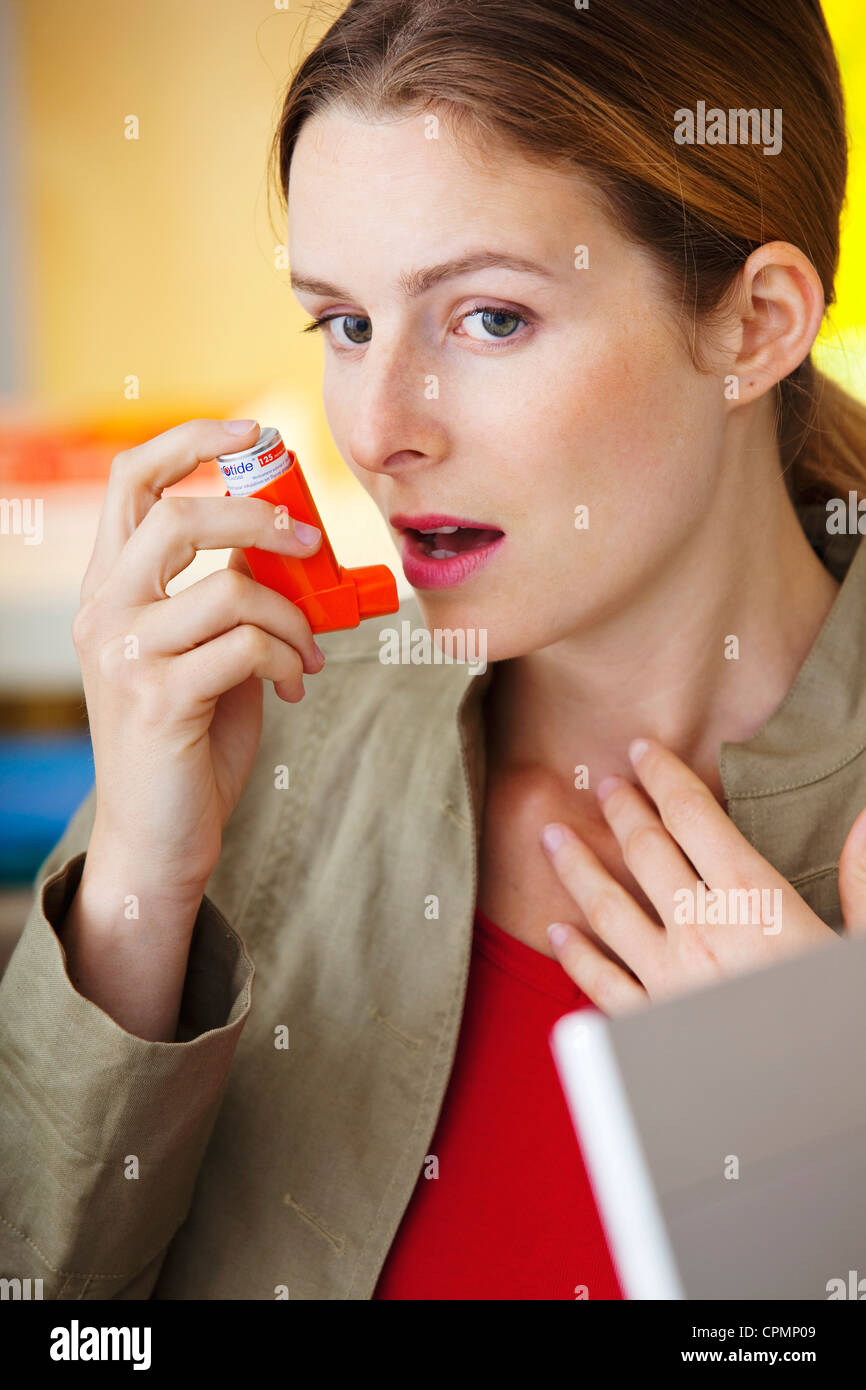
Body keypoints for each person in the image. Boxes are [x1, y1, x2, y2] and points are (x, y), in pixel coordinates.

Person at [2, 0, 866, 1301]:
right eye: (343, 325)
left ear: (752, 324)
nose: (379, 426)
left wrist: (832, 1162)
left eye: (488, 319)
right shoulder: (249, 755)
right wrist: (138, 894)